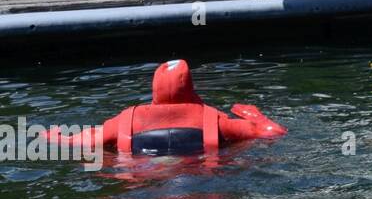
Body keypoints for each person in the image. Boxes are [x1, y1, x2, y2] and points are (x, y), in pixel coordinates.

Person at [45, 59, 286, 156]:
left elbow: (80, 142)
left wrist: (52, 135)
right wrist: (254, 115)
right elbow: (273, 133)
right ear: (190, 86)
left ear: (154, 89)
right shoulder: (215, 120)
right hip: (200, 182)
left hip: (144, 184)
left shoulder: (127, 120)